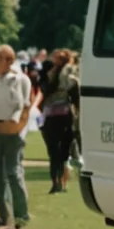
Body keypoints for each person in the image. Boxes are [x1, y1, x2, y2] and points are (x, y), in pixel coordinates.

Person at [0, 44, 33, 229]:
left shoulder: (20, 80)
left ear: (9, 61)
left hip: (13, 131)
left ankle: (22, 215)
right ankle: (3, 215)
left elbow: (24, 106)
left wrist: (16, 124)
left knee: (13, 172)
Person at [40, 50, 80, 194]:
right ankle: (61, 183)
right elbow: (76, 97)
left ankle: (56, 182)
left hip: (51, 117)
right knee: (63, 153)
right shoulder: (70, 77)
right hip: (65, 116)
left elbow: (44, 91)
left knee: (54, 152)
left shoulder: (50, 75)